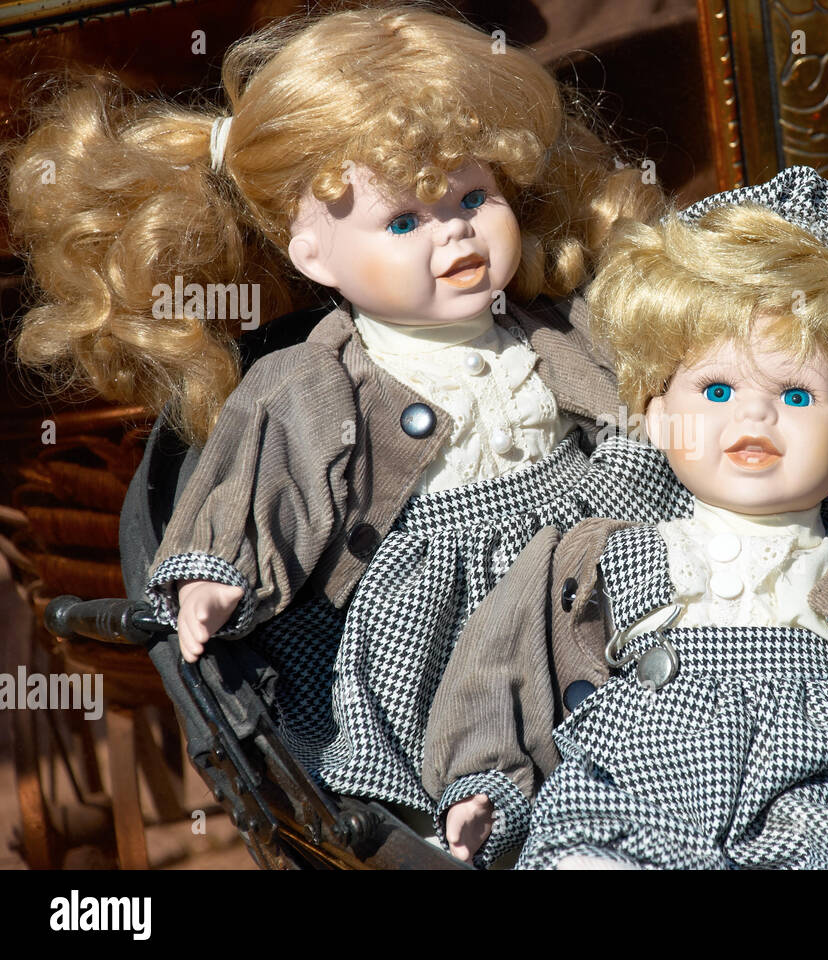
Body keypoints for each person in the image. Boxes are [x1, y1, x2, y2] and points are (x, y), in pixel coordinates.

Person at [6, 5, 691, 818]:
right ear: (311, 252)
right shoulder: (314, 380)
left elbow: (635, 400)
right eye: (404, 220)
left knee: (675, 723)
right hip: (447, 626)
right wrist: (218, 574)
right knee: (498, 763)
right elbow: (263, 477)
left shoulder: (552, 324)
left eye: (474, 195)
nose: (455, 235)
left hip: (606, 577)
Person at [422, 168, 828, 869]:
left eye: (799, 394)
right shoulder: (591, 560)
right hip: (637, 804)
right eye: (716, 388)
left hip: (827, 808)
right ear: (656, 413)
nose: (755, 413)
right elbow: (501, 668)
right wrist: (483, 784)